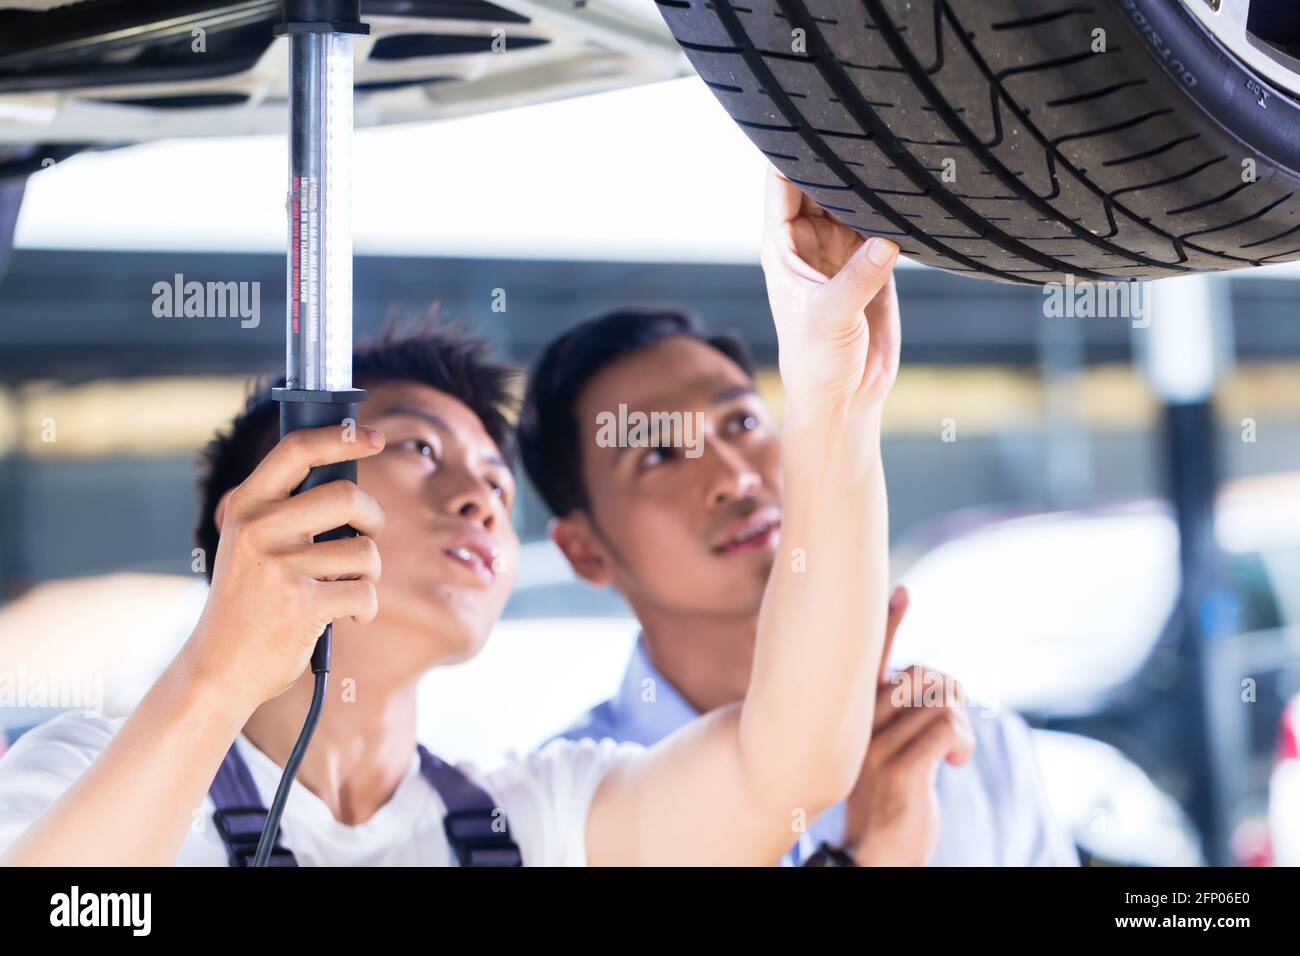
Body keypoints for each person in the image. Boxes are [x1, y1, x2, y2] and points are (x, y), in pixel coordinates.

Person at [0, 167, 903, 866]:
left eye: (500, 488)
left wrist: (838, 403)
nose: (479, 498)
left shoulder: (530, 822)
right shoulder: (86, 773)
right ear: (279, 498)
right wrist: (215, 679)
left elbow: (785, 768)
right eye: (421, 450)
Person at [516, 316, 1078, 864]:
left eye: (739, 423)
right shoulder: (562, 817)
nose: (735, 477)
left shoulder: (965, 748)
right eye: (659, 454)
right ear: (585, 551)